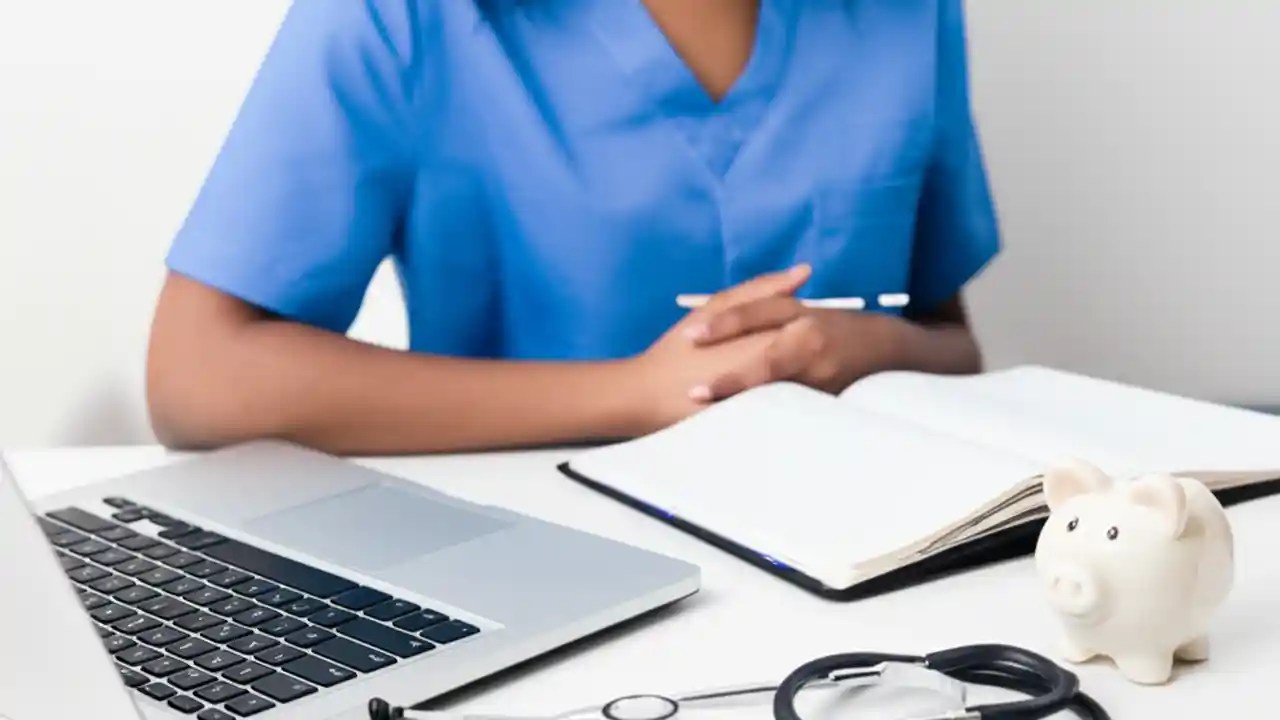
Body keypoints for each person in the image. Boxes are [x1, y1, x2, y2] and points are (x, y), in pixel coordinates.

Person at [147, 0, 1000, 455]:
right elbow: (198, 378)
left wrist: (869, 350)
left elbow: (953, 346)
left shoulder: (910, 13)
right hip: (523, 560)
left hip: (850, 565)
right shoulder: (403, 15)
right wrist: (633, 392)